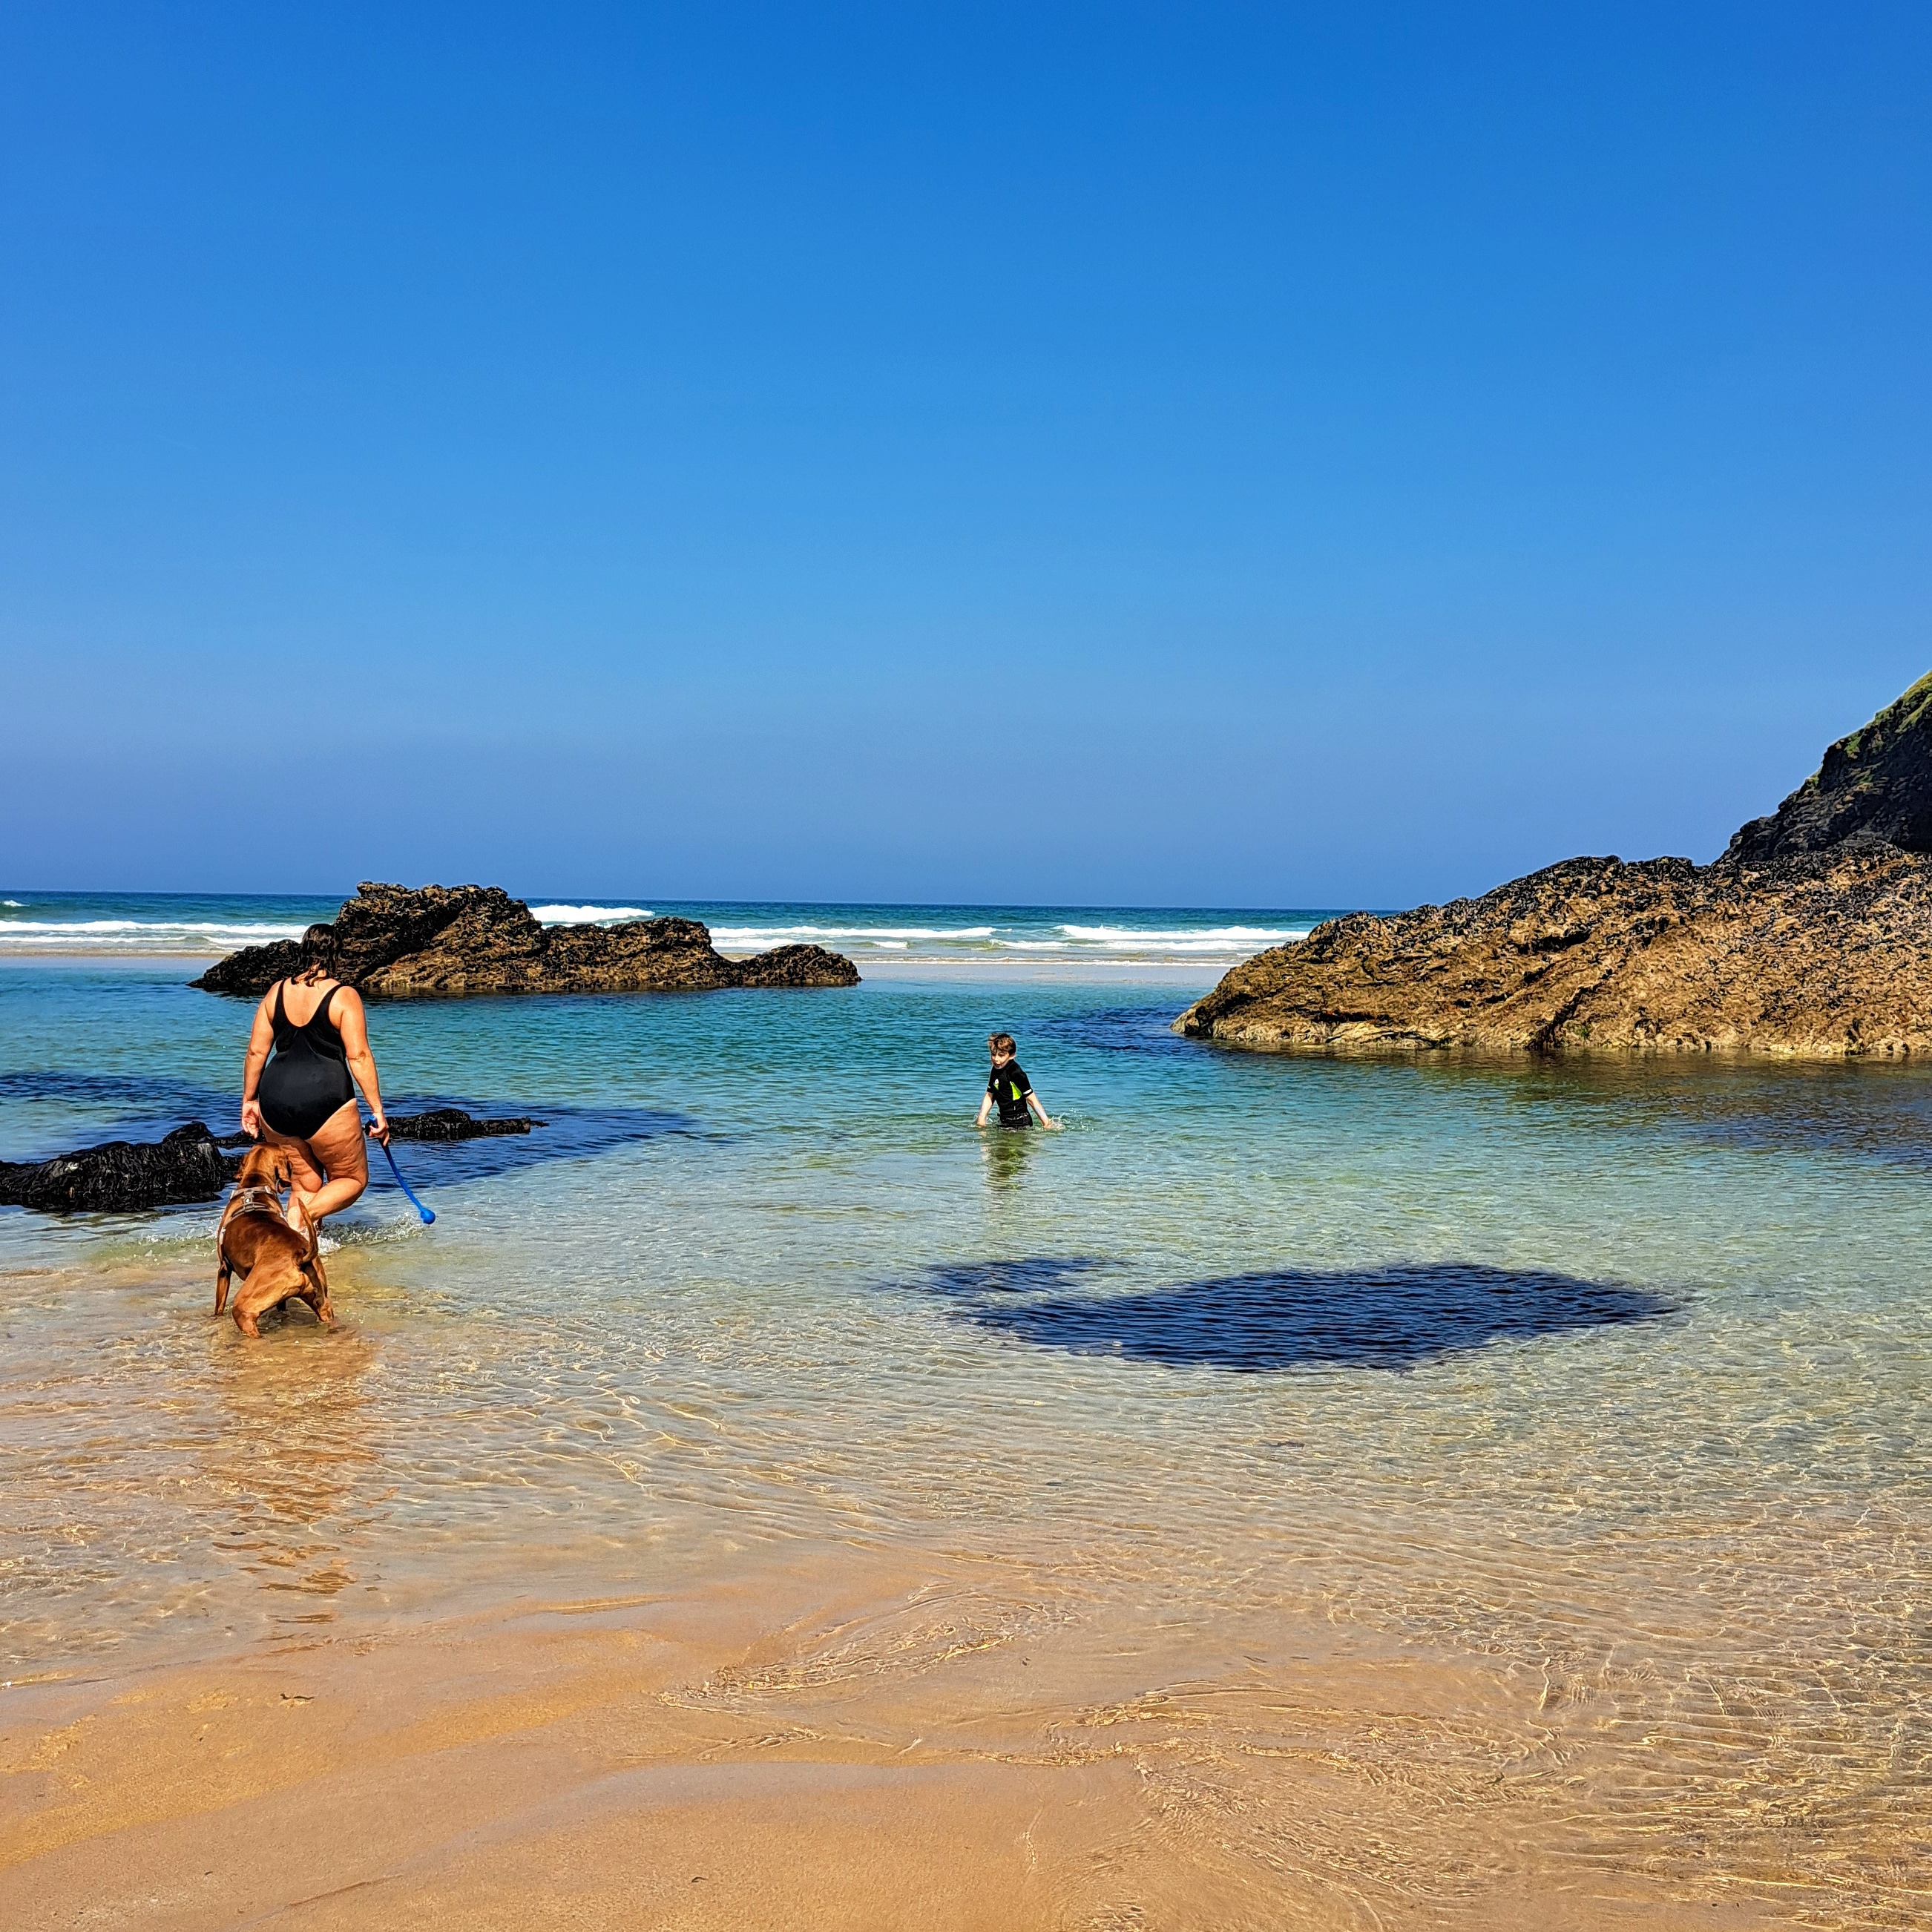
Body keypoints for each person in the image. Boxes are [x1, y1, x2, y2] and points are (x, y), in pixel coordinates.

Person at [239, 925, 390, 1251]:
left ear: (304, 950)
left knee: (305, 1184)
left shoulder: (276, 992)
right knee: (351, 1180)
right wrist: (377, 1110)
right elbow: (359, 1055)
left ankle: (296, 1252)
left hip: (275, 1101)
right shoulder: (343, 996)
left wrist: (249, 1100)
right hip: (326, 1101)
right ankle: (297, 1221)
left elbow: (256, 1052)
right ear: (337, 954)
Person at [976, 1032, 1059, 1131]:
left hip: (1020, 1121)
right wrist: (982, 1118)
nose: (996, 1059)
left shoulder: (1016, 1073)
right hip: (1004, 1120)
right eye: (993, 1054)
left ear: (1012, 1055)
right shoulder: (995, 1070)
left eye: (1001, 1055)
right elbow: (990, 1095)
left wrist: (1046, 1123)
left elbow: (1032, 1099)